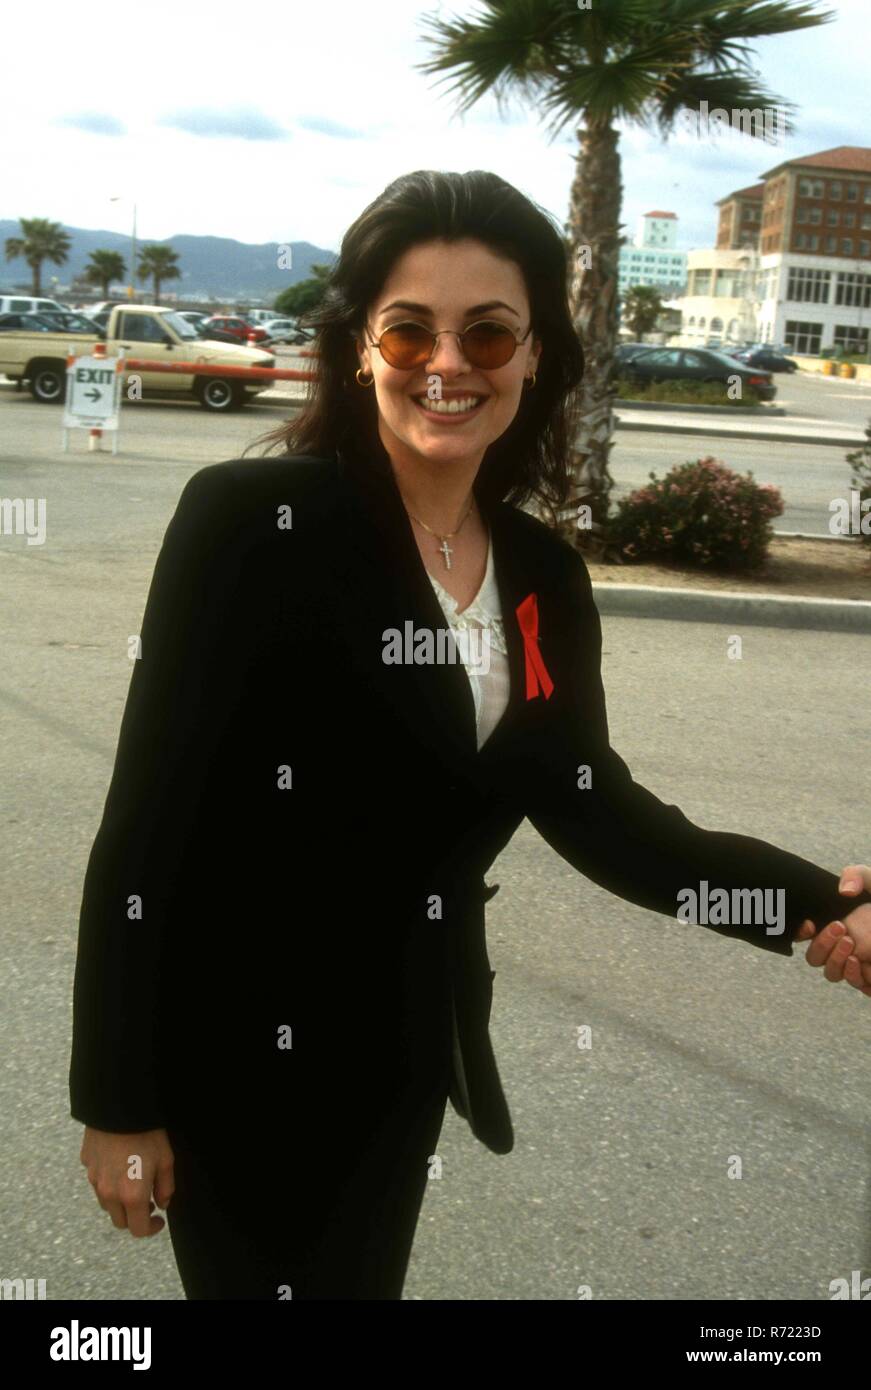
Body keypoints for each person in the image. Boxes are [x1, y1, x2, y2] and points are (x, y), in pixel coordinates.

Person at [70, 169, 871, 1302]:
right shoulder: (254, 528)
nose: (448, 365)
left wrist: (821, 908)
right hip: (239, 1060)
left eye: (488, 335)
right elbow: (144, 827)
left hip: (404, 1058)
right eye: (409, 334)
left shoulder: (541, 573)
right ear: (360, 349)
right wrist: (114, 1099)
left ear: (535, 355)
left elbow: (606, 817)